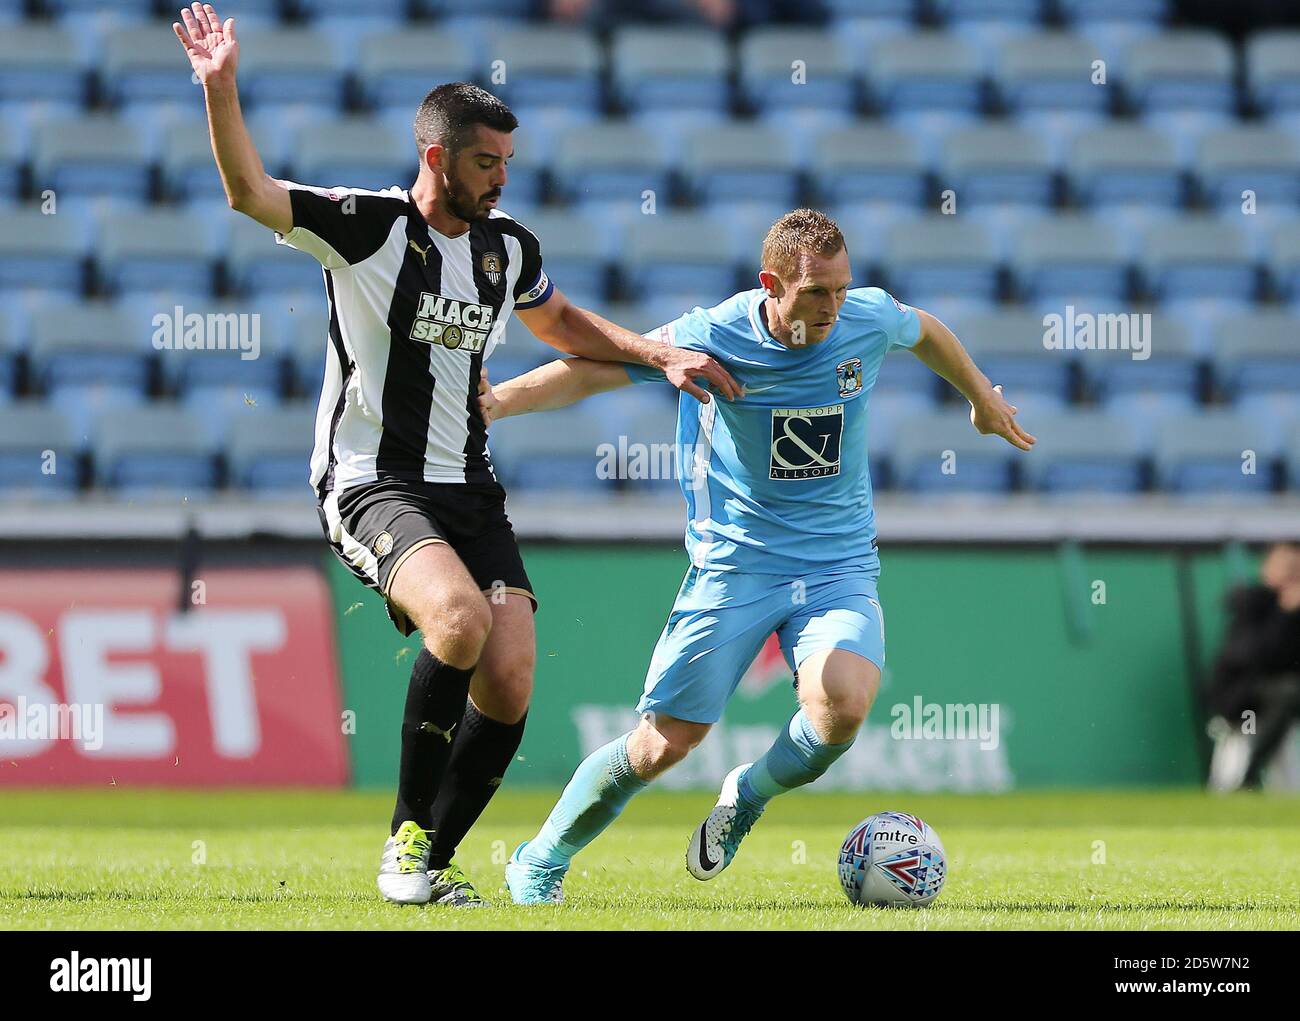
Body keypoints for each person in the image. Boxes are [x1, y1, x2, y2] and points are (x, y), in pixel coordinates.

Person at [172, 2, 740, 907]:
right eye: (486, 162)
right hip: (370, 482)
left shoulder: (504, 249)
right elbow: (249, 191)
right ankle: (404, 839)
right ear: (436, 155)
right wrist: (222, 87)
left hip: (469, 488)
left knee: (510, 674)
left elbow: (564, 325)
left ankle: (433, 860)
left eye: (509, 163)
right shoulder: (365, 226)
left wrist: (658, 352)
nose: (501, 179)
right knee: (461, 622)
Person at [478, 208, 1034, 903]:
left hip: (838, 564)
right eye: (814, 293)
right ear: (771, 283)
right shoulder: (714, 335)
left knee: (843, 706)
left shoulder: (865, 317)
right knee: (662, 744)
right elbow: (592, 372)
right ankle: (540, 858)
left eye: (840, 289)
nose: (833, 307)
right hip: (736, 563)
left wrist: (979, 398)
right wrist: (499, 400)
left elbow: (925, 331)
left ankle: (747, 793)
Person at [1206, 542, 1300, 790]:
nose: (1293, 573)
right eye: (1286, 566)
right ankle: (1249, 772)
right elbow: (1259, 657)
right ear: (1267, 569)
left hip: (1282, 699)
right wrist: (1285, 614)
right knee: (1289, 692)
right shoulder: (1251, 603)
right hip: (1243, 696)